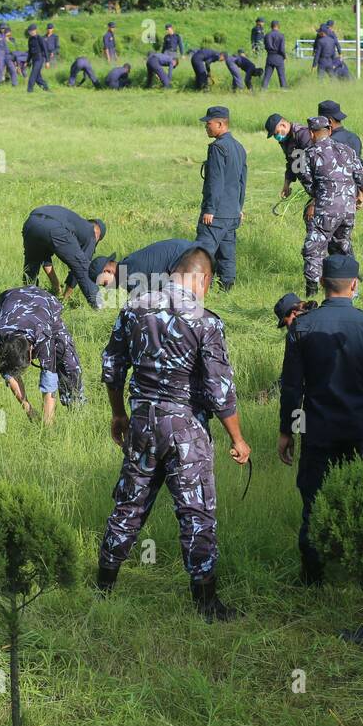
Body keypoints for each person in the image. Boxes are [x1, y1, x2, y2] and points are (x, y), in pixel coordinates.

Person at [97, 247, 250, 621]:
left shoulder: (133, 308)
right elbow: (219, 390)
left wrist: (119, 414)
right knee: (195, 511)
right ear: (203, 280)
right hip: (186, 429)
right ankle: (206, 603)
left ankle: (103, 586)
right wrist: (237, 438)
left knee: (129, 503)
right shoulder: (205, 321)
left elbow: (112, 367)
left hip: (142, 421)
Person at [278, 254, 363, 587]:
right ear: (354, 285)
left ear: (323, 284)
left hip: (317, 431)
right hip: (360, 430)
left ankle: (312, 578)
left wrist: (288, 431)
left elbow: (292, 389)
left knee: (314, 501)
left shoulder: (302, 326)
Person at [0, 285, 83, 423]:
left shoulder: (42, 337)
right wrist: (29, 410)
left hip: (43, 304)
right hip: (11, 301)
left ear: (30, 352)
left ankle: (75, 407)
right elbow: (10, 374)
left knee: (68, 359)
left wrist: (47, 422)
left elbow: (49, 380)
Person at [293, 116, 363, 297]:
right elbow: (362, 179)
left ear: (310, 133)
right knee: (342, 246)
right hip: (349, 210)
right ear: (329, 130)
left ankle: (312, 292)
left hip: (326, 209)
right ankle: (351, 289)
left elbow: (308, 183)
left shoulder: (309, 154)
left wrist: (321, 195)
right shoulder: (347, 150)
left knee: (314, 248)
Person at [195, 106, 246, 291]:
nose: (206, 127)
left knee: (202, 252)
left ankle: (198, 290)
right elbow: (242, 180)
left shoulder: (218, 148)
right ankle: (227, 289)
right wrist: (238, 208)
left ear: (220, 124)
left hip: (216, 214)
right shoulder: (239, 147)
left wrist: (209, 209)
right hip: (232, 213)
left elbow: (215, 181)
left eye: (208, 124)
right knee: (227, 253)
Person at [21, 205, 107, 309]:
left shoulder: (76, 223)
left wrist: (56, 287)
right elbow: (80, 270)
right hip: (55, 226)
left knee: (31, 265)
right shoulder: (91, 233)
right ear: (98, 234)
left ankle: (27, 303)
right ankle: (99, 307)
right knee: (83, 266)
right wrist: (65, 299)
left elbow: (44, 258)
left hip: (31, 222)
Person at [89, 237, 196, 295]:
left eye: (105, 283)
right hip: (188, 247)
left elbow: (146, 307)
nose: (108, 287)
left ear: (107, 271)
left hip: (186, 258)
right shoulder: (128, 263)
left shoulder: (128, 275)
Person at [266, 114, 314, 209]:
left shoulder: (302, 134)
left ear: (283, 125)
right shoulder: (285, 141)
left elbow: (315, 162)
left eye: (276, 133)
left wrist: (316, 196)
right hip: (310, 187)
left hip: (319, 186)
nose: (276, 137)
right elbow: (291, 163)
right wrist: (286, 185)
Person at [261, 21, 287, 89]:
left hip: (270, 56)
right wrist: (284, 56)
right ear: (278, 26)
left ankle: (263, 90)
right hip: (279, 57)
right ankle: (284, 90)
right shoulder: (281, 35)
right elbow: (282, 49)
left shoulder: (267, 35)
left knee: (267, 76)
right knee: (281, 75)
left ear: (271, 26)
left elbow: (265, 46)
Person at [25, 23, 49, 92]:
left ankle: (29, 91)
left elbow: (45, 49)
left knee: (33, 74)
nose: (30, 32)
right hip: (34, 59)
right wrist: (27, 61)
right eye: (29, 31)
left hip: (39, 58)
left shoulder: (40, 38)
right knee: (37, 77)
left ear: (35, 30)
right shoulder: (30, 39)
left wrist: (47, 61)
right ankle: (46, 88)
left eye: (32, 31)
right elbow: (30, 51)